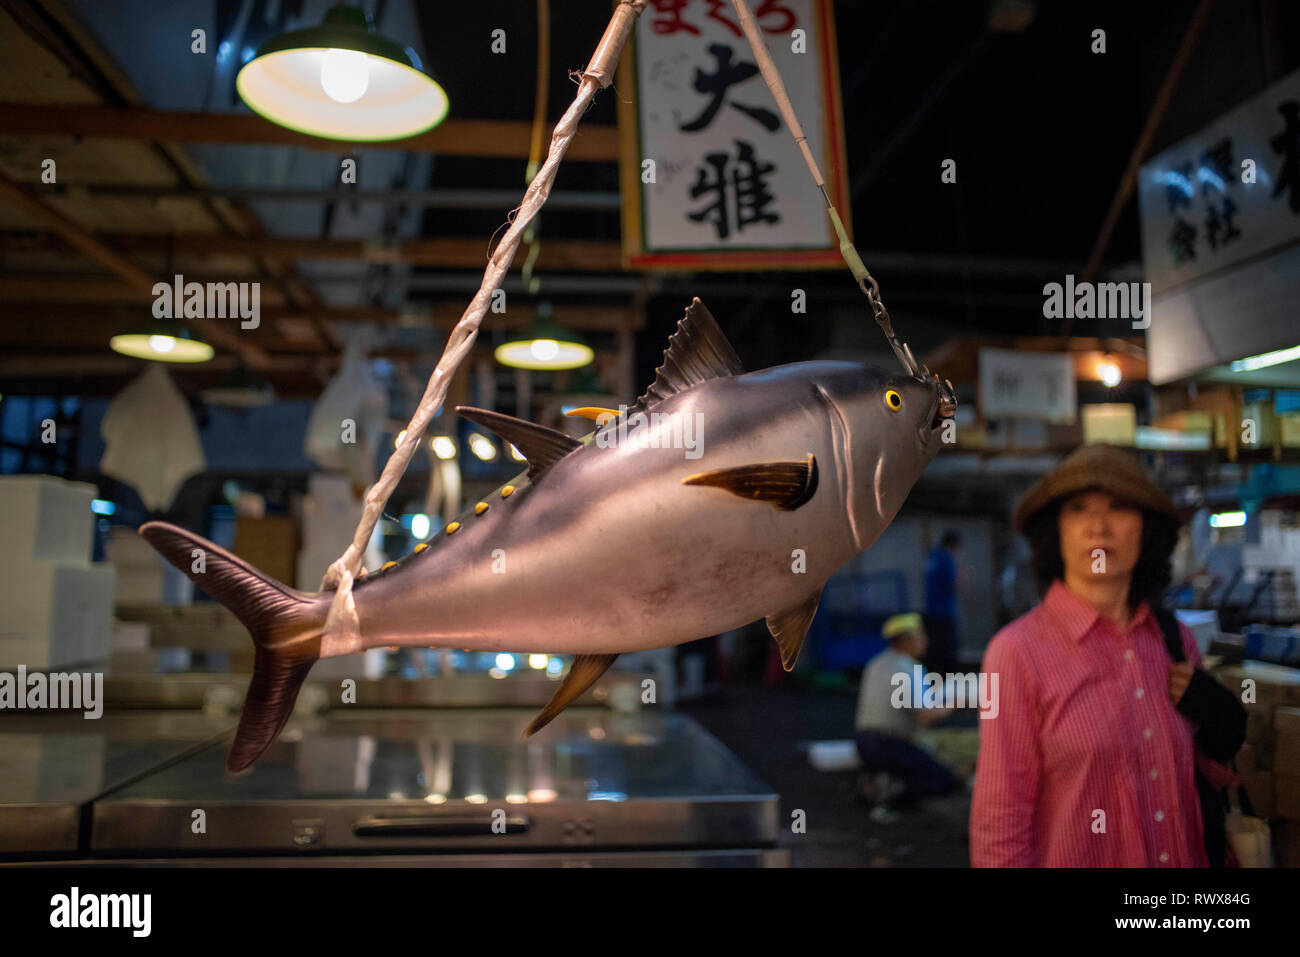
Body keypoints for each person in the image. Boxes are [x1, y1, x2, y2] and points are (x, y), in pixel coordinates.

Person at [970, 444, 1209, 867]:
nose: (1098, 528)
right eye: (1079, 509)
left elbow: (1205, 774)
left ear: (1146, 529)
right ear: (1056, 531)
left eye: (1119, 508)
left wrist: (1224, 724)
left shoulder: (1175, 641)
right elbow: (1001, 822)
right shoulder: (1016, 653)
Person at [855, 613, 961, 817]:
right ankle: (891, 793)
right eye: (920, 637)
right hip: (887, 744)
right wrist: (957, 703)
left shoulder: (876, 663)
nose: (926, 642)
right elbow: (924, 716)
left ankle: (880, 780)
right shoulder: (907, 667)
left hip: (864, 743)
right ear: (906, 640)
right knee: (943, 778)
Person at [923, 531, 962, 675]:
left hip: (931, 611)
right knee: (949, 650)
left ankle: (932, 681)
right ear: (953, 546)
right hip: (945, 612)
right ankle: (949, 684)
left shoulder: (932, 557)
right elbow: (954, 584)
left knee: (933, 650)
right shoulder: (947, 558)